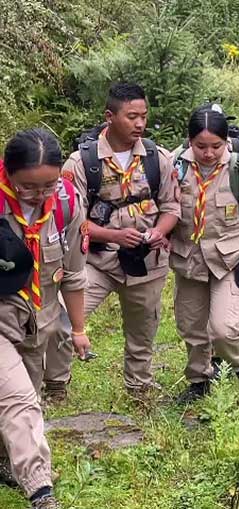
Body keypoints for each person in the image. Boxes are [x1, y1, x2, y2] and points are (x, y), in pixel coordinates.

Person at [43, 82, 180, 403]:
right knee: (62, 320)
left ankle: (139, 389)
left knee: (143, 330)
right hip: (95, 262)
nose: (140, 124)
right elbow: (65, 218)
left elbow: (173, 207)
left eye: (144, 116)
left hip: (146, 262)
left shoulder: (156, 158)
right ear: (110, 116)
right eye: (132, 116)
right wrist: (112, 235)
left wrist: (159, 231)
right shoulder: (80, 163)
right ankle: (56, 387)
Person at [0, 128, 91, 509]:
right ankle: (41, 490)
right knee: (20, 400)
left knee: (23, 394)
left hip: (39, 319)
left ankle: (6, 461)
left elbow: (72, 273)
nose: (38, 196)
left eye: (47, 186)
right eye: (27, 188)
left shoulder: (68, 202)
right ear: (8, 173)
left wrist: (80, 328)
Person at [170, 106, 239, 404]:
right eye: (200, 146)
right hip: (189, 258)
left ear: (226, 143)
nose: (208, 153)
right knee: (191, 327)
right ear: (189, 141)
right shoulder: (175, 166)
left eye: (215, 146)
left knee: (223, 326)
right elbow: (164, 207)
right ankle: (199, 380)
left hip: (230, 259)